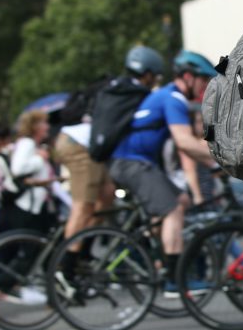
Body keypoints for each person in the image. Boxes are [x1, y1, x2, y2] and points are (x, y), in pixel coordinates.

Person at [107, 50, 218, 288]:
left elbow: (186, 148)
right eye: (203, 80)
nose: (205, 86)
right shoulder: (173, 98)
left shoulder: (168, 96)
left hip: (135, 163)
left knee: (182, 200)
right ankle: (174, 278)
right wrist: (225, 156)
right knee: (173, 210)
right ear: (188, 77)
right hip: (132, 164)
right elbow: (185, 141)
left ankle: (160, 256)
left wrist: (213, 164)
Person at [54, 47, 164, 245]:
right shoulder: (131, 93)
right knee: (83, 207)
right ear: (147, 74)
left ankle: (82, 250)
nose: (156, 82)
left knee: (106, 198)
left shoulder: (121, 88)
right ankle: (65, 265)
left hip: (84, 145)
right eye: (155, 77)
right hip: (79, 145)